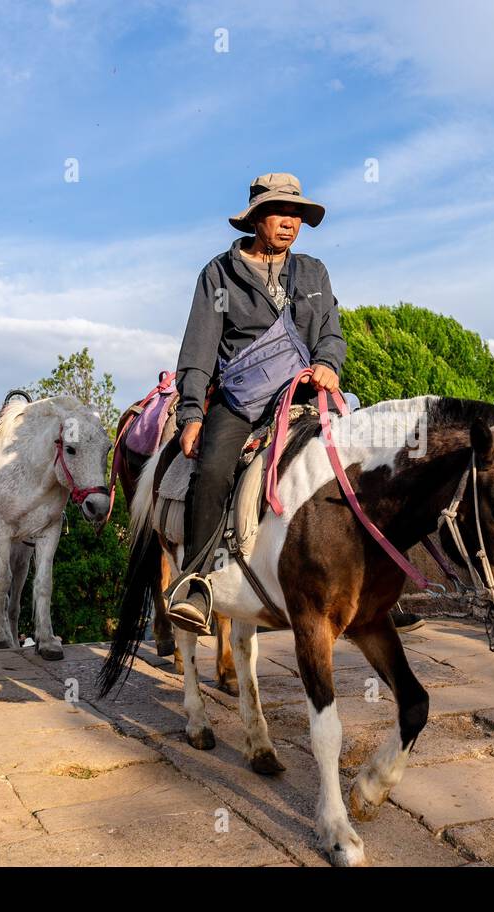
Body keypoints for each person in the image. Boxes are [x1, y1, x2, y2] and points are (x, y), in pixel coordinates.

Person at [166, 173, 347, 635]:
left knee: (367, 457)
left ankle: (374, 588)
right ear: (255, 218)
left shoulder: (314, 272)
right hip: (243, 401)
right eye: (280, 213)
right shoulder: (218, 274)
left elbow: (331, 332)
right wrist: (190, 414)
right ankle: (196, 582)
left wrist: (328, 362)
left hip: (308, 393)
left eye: (297, 215)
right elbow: (199, 350)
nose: (290, 223)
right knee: (212, 469)